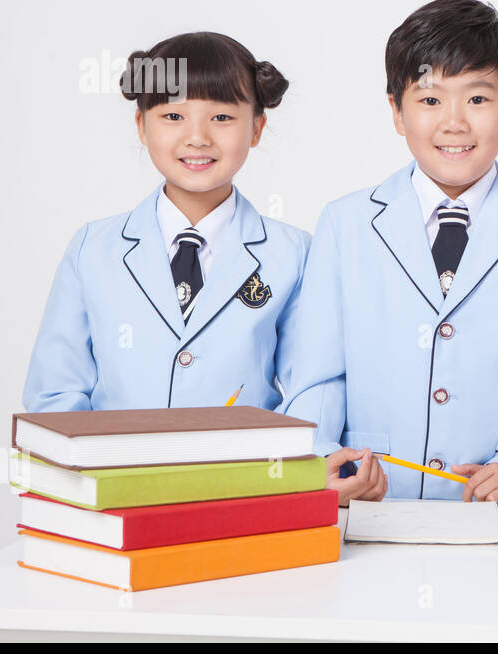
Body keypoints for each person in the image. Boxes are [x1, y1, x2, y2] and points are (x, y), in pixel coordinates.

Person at [280, 0, 498, 508]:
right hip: (372, 508)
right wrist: (323, 458)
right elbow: (317, 374)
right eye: (429, 101)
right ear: (396, 112)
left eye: (477, 100)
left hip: (494, 512)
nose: (453, 123)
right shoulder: (346, 224)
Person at [23, 31, 310, 416]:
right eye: (173, 116)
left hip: (248, 476)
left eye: (222, 117)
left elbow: (308, 390)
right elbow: (54, 396)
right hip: (118, 474)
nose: (197, 138)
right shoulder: (93, 249)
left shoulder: (295, 254)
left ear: (256, 128)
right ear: (142, 125)